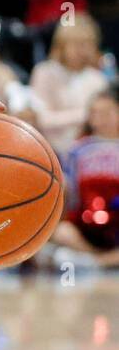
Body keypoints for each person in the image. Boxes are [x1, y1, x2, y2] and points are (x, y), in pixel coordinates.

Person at [51, 87, 119, 268]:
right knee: (62, 232)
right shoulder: (78, 149)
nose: (101, 119)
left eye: (107, 112)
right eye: (95, 113)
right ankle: (99, 258)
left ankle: (99, 262)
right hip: (87, 222)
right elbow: (70, 192)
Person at [28, 16, 110, 157]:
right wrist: (85, 115)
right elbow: (41, 118)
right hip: (49, 150)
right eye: (77, 44)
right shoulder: (45, 72)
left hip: (87, 152)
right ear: (62, 45)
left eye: (88, 44)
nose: (83, 51)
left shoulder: (98, 79)